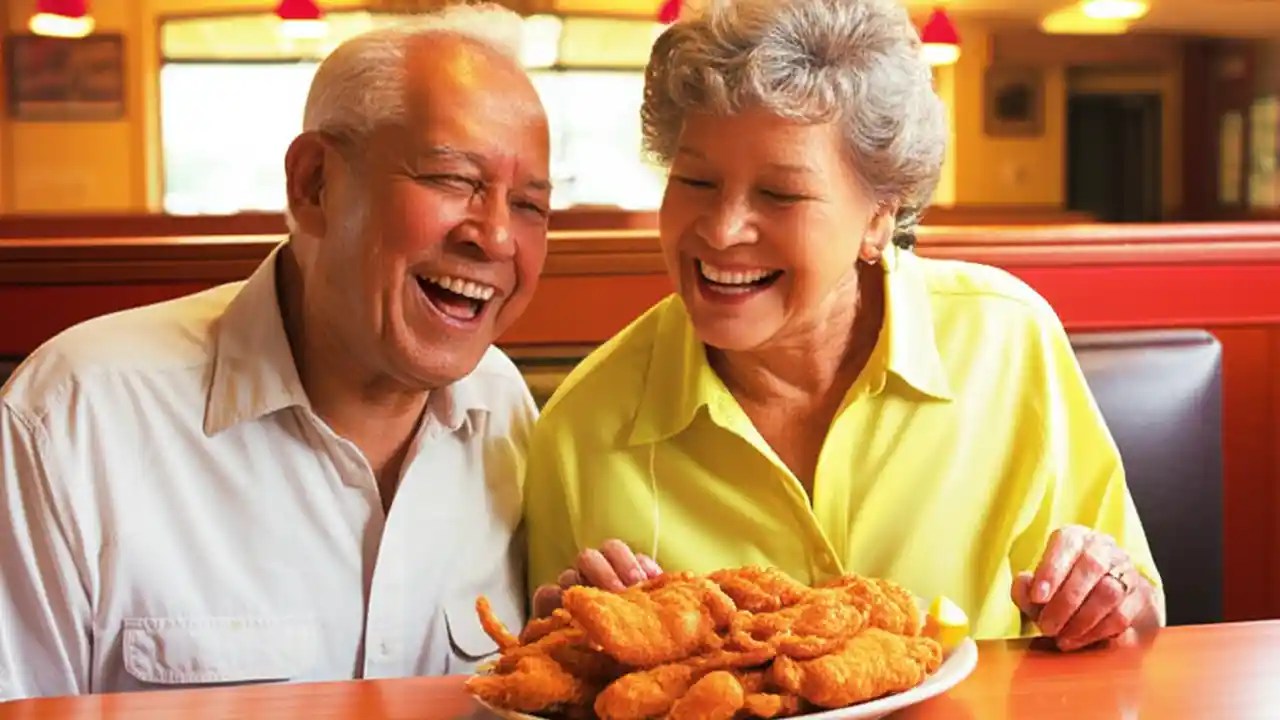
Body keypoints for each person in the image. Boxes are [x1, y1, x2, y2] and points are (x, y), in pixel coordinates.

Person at [523, 0, 1164, 652]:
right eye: (695, 180)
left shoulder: (1005, 342)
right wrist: (572, 650)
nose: (720, 229)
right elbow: (545, 678)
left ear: (879, 218)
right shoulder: (581, 429)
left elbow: (1136, 623)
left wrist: (1107, 598)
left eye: (779, 194)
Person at [0, 4, 551, 699]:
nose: (498, 238)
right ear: (313, 183)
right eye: (450, 179)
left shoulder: (503, 408)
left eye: (531, 205)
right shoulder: (73, 417)